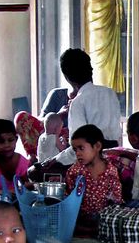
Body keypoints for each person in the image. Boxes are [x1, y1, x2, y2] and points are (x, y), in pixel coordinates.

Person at [34, 49, 122, 180]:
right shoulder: (110, 93)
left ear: (67, 77)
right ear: (91, 69)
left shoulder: (78, 102)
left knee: (35, 172)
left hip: (92, 160)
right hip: (114, 158)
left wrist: (52, 162)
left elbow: (78, 149)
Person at [66, 124, 123, 233]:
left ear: (97, 146)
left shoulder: (111, 171)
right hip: (80, 220)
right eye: (75, 150)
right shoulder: (74, 172)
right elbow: (68, 200)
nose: (77, 153)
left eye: (81, 148)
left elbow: (117, 200)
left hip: (103, 220)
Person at [0, 119, 30, 190]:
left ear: (16, 139)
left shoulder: (21, 161)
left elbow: (27, 186)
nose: (7, 145)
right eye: (1, 142)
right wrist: (9, 192)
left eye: (10, 140)